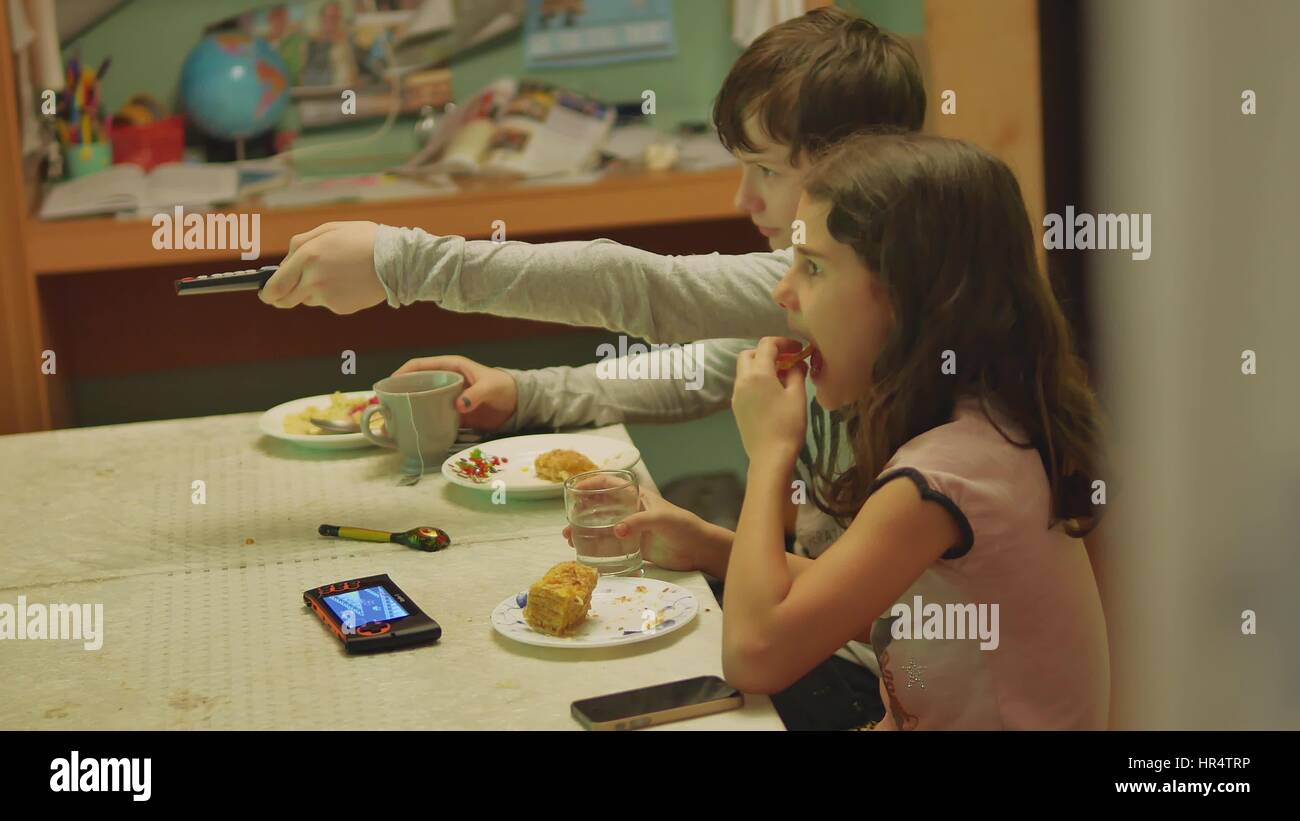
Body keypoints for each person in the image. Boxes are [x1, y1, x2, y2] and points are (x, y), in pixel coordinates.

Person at [260, 7, 926, 730]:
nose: (743, 199)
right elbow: (700, 370)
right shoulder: (829, 303)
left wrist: (403, 262)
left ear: (858, 176)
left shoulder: (865, 296)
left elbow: (645, 289)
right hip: (841, 644)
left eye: (765, 169)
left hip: (873, 679)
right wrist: (525, 394)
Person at [714, 132, 1109, 728]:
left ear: (907, 297)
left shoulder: (948, 473)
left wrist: (769, 452)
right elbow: (847, 594)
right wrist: (701, 543)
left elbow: (754, 654)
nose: (782, 291)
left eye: (814, 266)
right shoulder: (985, 426)